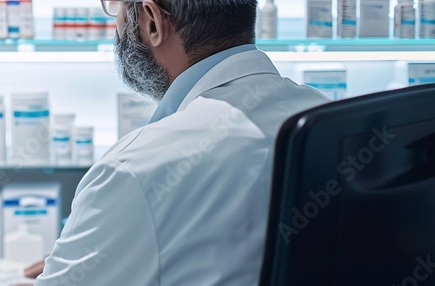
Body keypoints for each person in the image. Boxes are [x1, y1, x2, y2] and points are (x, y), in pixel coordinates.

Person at [24, 0, 331, 285]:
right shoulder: (327, 117)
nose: (115, 22)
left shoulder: (133, 169)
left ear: (153, 21)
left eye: (115, 6)